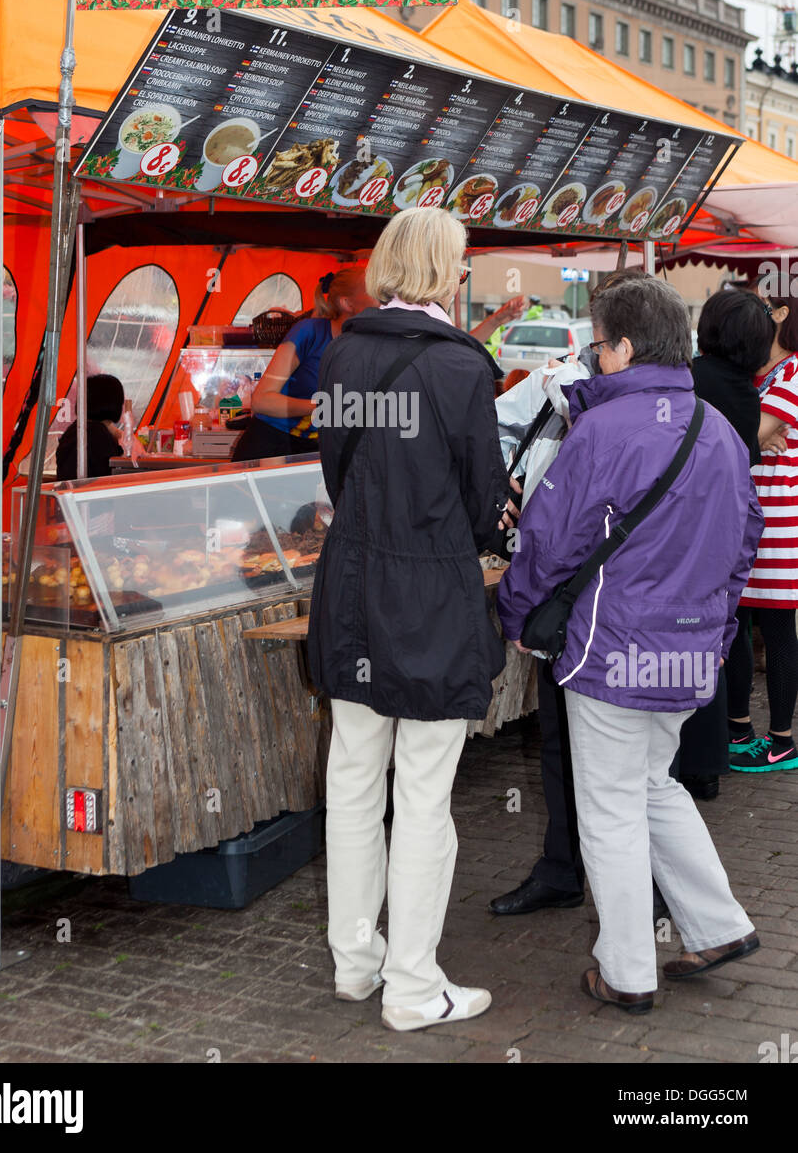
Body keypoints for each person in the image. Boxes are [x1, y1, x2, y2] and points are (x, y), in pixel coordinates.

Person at [498, 274, 762, 1011]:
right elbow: (744, 541)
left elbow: (547, 543)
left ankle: (627, 971)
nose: (595, 358)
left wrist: (517, 616)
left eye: (599, 346)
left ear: (620, 349)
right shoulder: (718, 429)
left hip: (611, 649)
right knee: (652, 786)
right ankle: (717, 925)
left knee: (612, 804)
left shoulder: (603, 430)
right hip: (687, 649)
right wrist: (718, 629)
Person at [307, 208, 509, 1032]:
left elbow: (335, 471)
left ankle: (356, 964)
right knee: (423, 795)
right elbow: (485, 502)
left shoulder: (344, 351)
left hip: (352, 583)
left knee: (353, 781)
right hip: (429, 593)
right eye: (458, 261)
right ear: (436, 269)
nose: (463, 273)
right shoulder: (463, 367)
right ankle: (414, 988)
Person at [489, 269, 641, 919]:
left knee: (629, 764)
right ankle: (564, 867)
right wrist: (502, 488)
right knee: (559, 739)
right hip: (567, 599)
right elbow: (496, 429)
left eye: (602, 339)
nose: (595, 349)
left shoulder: (651, 407)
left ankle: (638, 896)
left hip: (614, 602)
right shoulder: (559, 382)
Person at [683, 289, 777, 797]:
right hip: (724, 532)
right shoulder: (746, 392)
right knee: (713, 639)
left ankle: (687, 762)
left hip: (682, 529)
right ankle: (706, 765)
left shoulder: (690, 379)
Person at [726, 285, 798, 774]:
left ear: (783, 313)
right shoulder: (760, 373)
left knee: (776, 629)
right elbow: (751, 436)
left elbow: (744, 435)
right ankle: (738, 730)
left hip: (778, 521)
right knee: (736, 622)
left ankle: (783, 739)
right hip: (745, 514)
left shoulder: (792, 372)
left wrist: (751, 433)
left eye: (763, 307)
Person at [232, 266, 373, 461]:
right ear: (347, 303)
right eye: (373, 290)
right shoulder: (309, 332)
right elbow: (262, 401)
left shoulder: (369, 343)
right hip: (272, 442)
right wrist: (322, 406)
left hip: (316, 446)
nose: (383, 298)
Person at [55, 374, 124, 479]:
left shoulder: (76, 429)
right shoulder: (97, 434)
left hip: (70, 488)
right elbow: (111, 472)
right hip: (90, 488)